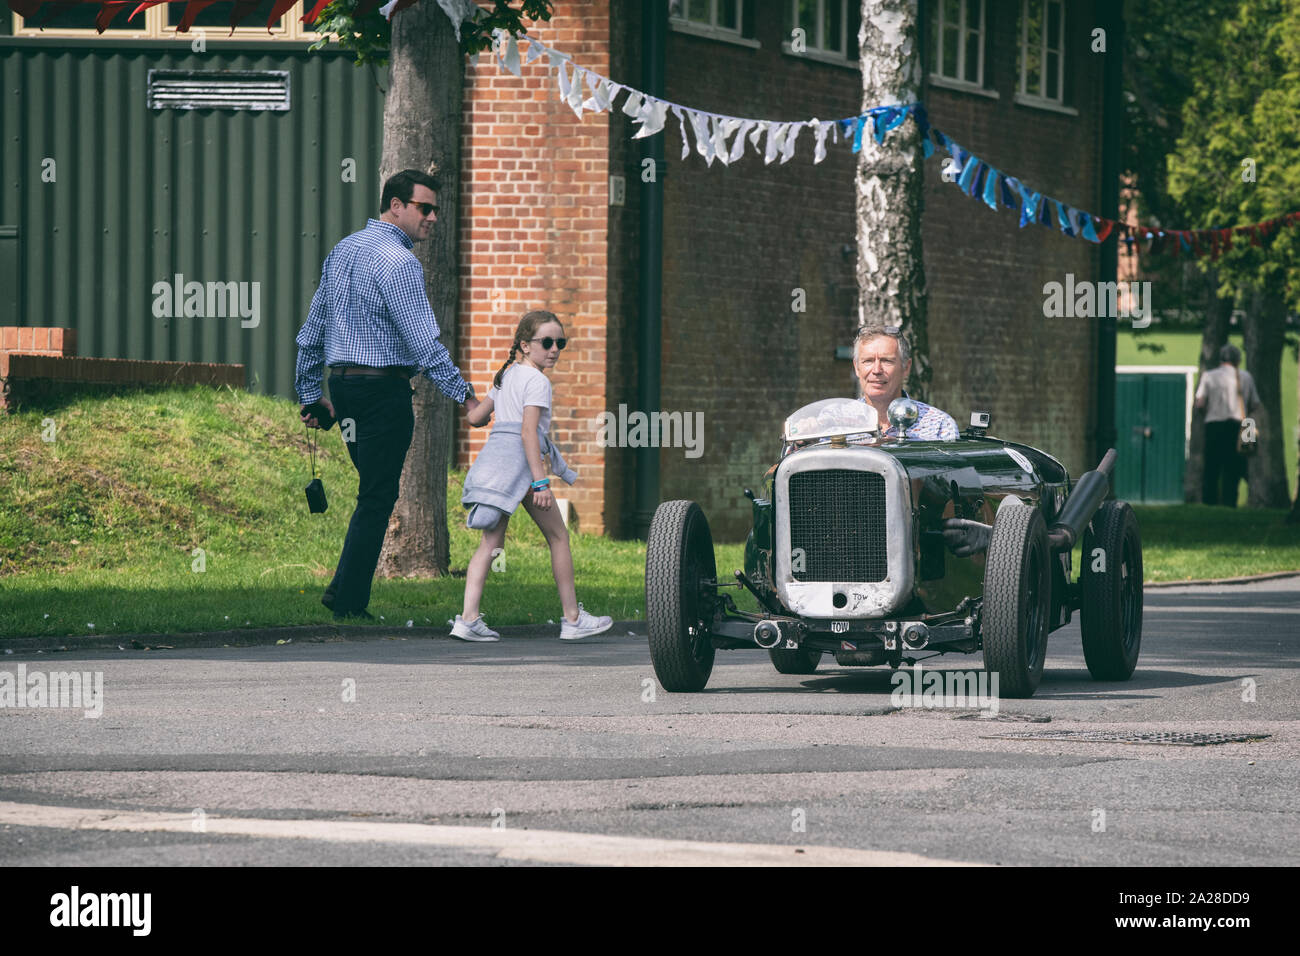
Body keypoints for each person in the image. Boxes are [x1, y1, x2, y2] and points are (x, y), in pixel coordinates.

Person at [294, 169, 481, 621]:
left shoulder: (343, 250)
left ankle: (343, 590)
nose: (433, 218)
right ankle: (348, 602)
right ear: (395, 206)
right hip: (381, 392)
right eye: (424, 208)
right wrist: (468, 399)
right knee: (377, 496)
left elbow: (311, 332)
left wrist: (311, 394)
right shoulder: (400, 264)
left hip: (344, 387)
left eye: (436, 209)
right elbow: (423, 342)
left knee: (372, 492)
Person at [454, 310, 613, 642]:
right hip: (523, 469)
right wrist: (539, 482)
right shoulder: (538, 382)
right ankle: (572, 619)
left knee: (490, 544)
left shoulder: (508, 376)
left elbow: (476, 418)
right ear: (525, 345)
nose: (554, 349)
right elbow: (529, 434)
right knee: (558, 538)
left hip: (498, 466)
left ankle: (467, 619)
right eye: (547, 342)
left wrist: (462, 393)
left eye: (560, 343)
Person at [853, 324, 959, 440]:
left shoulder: (939, 426)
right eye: (868, 361)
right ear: (857, 368)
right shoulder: (836, 424)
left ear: (906, 368)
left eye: (887, 361)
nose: (877, 370)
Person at [1195, 342, 1260, 507]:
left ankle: (1209, 501)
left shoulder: (1209, 376)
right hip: (1238, 427)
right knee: (1234, 467)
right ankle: (1230, 501)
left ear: (1220, 359)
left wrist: (1208, 414)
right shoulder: (1246, 377)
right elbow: (1254, 405)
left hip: (1214, 425)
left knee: (1212, 465)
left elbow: (1200, 403)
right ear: (1238, 360)